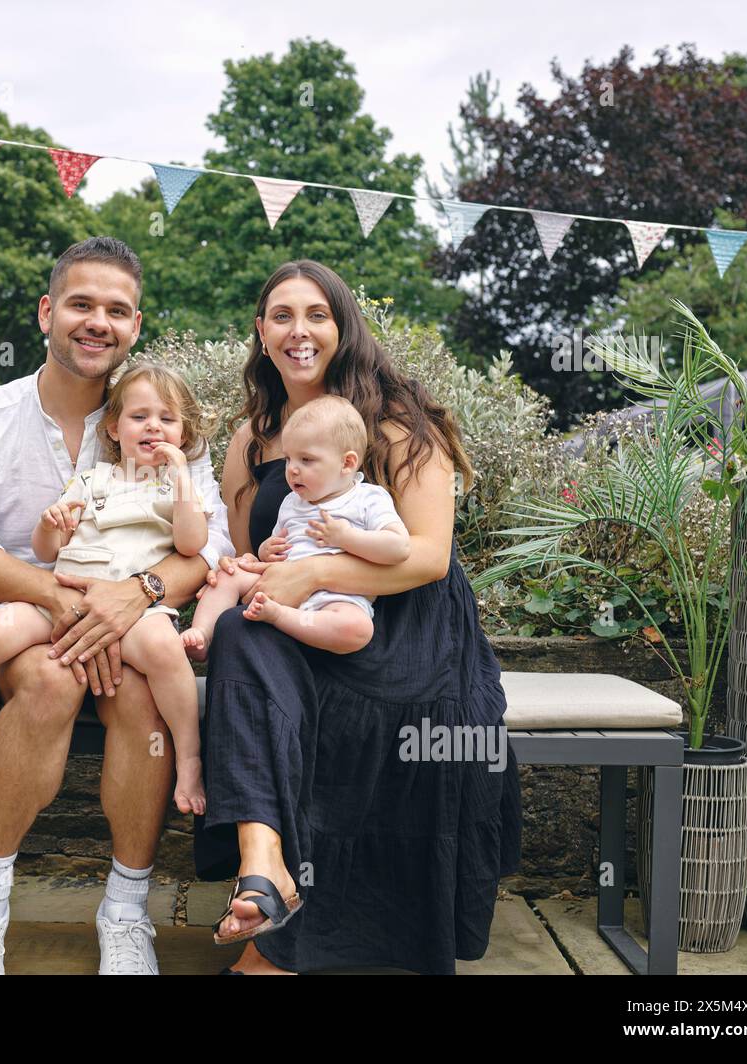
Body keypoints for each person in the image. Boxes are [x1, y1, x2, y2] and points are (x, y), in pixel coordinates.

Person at [194, 259, 521, 975]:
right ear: (261, 330)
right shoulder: (252, 438)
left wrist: (311, 570)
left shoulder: (397, 421)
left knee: (343, 711)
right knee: (240, 630)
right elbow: (252, 553)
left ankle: (273, 943)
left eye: (317, 315)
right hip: (305, 618)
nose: (299, 331)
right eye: (281, 315)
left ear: (342, 327)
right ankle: (264, 864)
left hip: (410, 628)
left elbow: (429, 557)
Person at [0, 237, 234, 975]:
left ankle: (127, 913)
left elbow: (209, 545)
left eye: (117, 311)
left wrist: (138, 595)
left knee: (137, 693)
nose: (98, 322)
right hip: (17, 613)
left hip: (135, 609)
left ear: (135, 324)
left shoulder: (159, 419)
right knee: (52, 678)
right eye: (81, 304)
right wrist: (65, 601)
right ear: (47, 312)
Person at [0, 362, 213, 816]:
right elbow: (48, 549)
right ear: (113, 429)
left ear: (185, 435)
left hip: (132, 608)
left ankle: (189, 759)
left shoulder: (174, 487)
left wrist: (182, 478)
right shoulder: (92, 478)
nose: (153, 427)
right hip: (60, 595)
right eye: (139, 418)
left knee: (165, 653)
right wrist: (51, 526)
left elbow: (194, 545)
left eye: (168, 420)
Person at [184, 393, 409, 659]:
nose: (292, 469)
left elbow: (399, 548)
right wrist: (267, 550)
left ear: (347, 463)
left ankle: (280, 617)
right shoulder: (292, 502)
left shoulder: (367, 498)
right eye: (289, 459)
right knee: (229, 574)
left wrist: (347, 538)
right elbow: (275, 550)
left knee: (357, 629)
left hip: (337, 598)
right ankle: (202, 635)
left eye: (307, 460)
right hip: (283, 584)